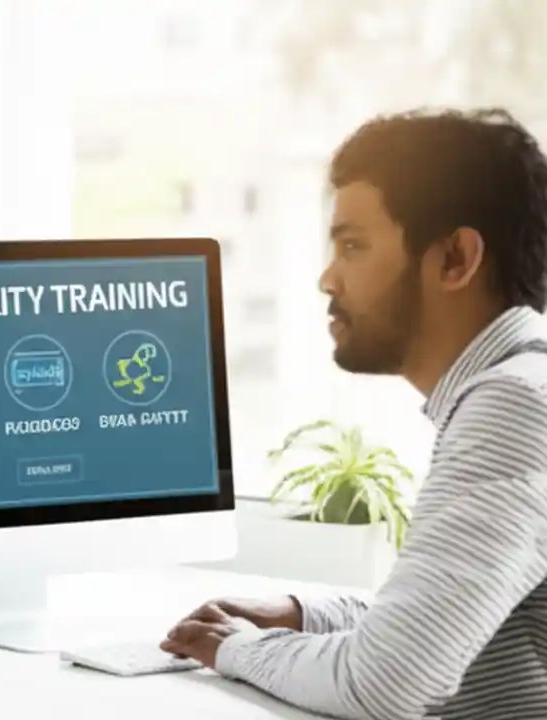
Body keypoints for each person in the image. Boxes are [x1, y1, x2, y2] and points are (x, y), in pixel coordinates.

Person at [160, 109, 547, 719]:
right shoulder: (524, 383)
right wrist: (304, 615)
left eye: (352, 246)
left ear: (455, 259)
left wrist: (237, 649)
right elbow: (441, 620)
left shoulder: (515, 405)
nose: (326, 279)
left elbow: (386, 682)